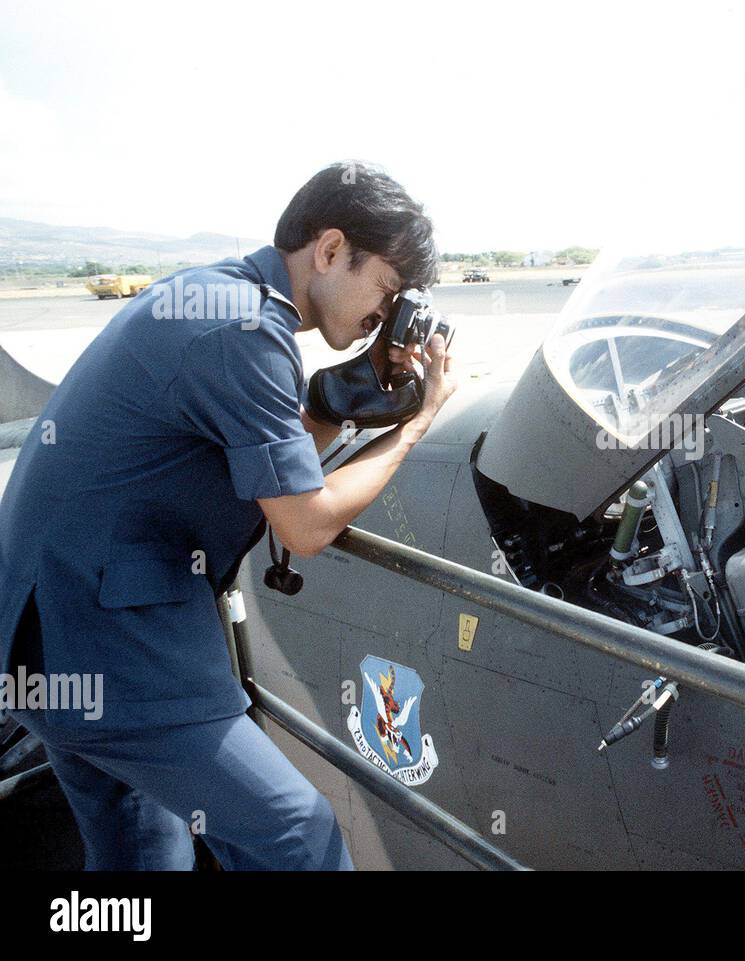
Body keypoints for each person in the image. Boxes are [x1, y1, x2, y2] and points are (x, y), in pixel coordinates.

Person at [0, 162, 456, 870]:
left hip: (50, 639)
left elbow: (268, 465)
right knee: (298, 837)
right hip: (116, 651)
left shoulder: (217, 297)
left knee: (140, 855)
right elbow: (305, 524)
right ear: (331, 249)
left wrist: (342, 396)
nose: (385, 312)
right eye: (386, 289)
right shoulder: (246, 330)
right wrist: (417, 423)